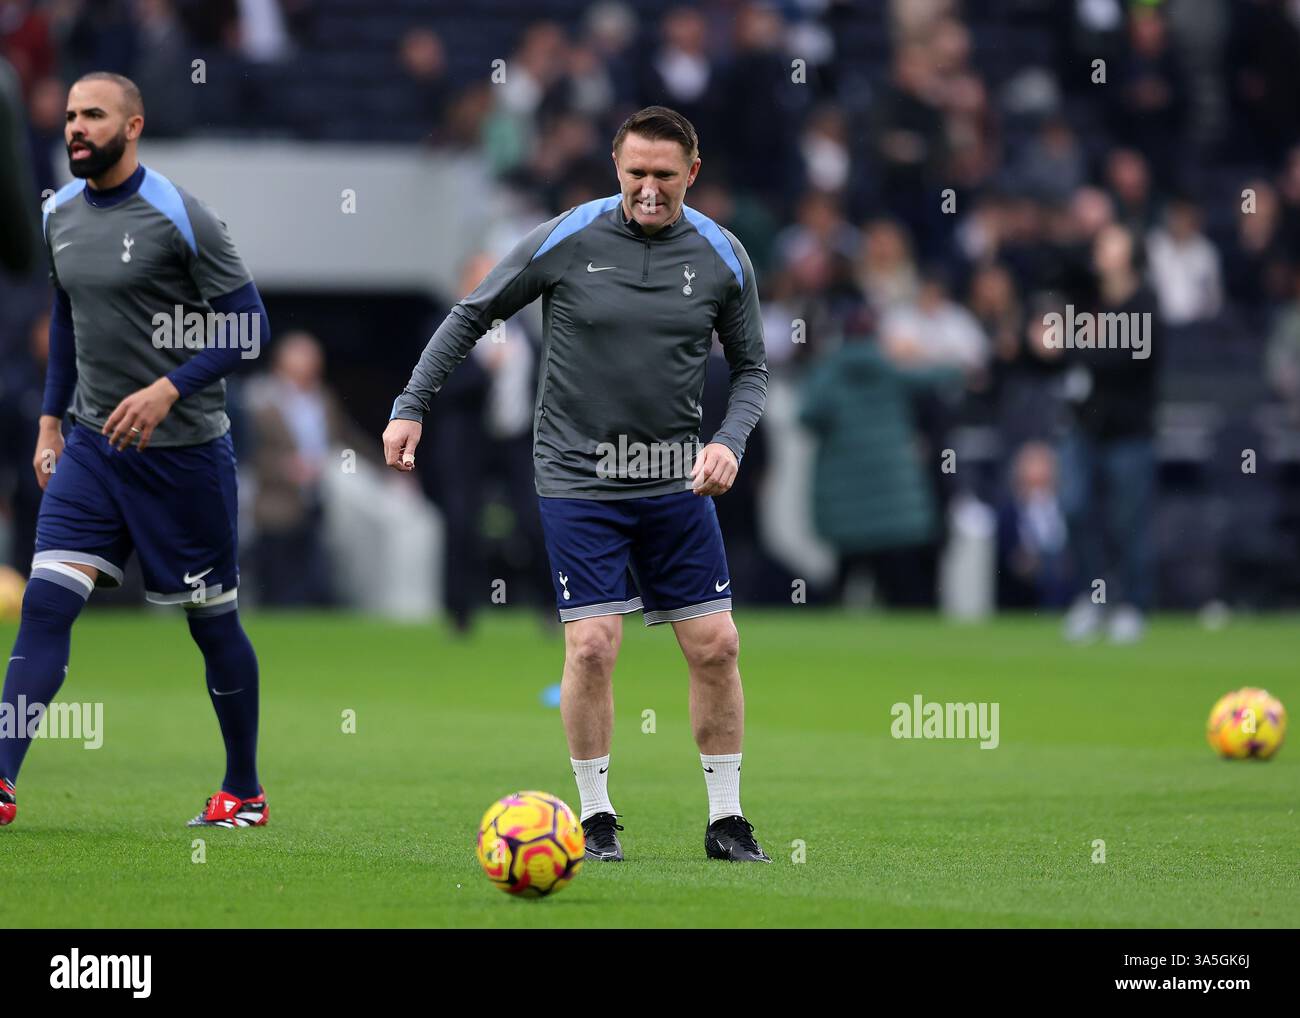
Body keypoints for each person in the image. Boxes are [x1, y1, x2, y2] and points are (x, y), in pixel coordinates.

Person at [383, 106, 771, 863]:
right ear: (615, 168)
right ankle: (595, 818)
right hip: (578, 478)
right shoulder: (567, 238)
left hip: (674, 482)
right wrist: (409, 406)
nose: (650, 189)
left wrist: (728, 441)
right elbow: (470, 314)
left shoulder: (724, 255)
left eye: (666, 175)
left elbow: (754, 369)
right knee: (593, 647)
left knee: (717, 646)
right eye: (636, 174)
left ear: (692, 173)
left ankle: (726, 819)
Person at [0, 72, 272, 828]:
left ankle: (243, 791)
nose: (75, 127)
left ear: (135, 126)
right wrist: (52, 421)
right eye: (69, 116)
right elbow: (68, 318)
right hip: (91, 449)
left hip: (185, 457)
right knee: (47, 605)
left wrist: (167, 390)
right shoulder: (56, 212)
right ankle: (1, 781)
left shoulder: (183, 217)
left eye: (93, 115)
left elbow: (249, 327)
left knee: (211, 623)